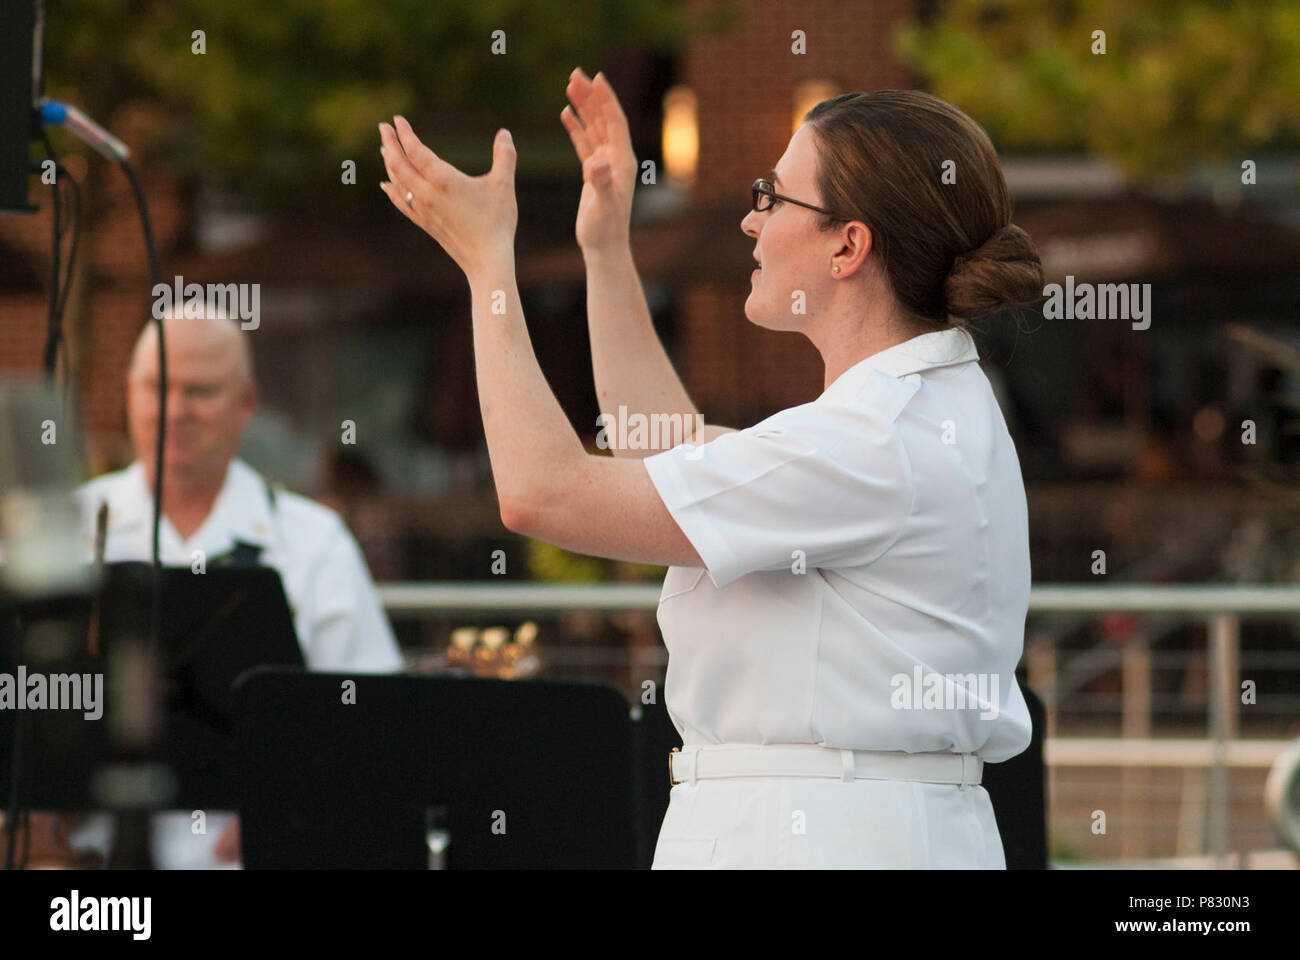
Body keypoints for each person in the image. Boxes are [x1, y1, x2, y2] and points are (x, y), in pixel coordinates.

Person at [378, 68, 1043, 868]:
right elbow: (664, 452)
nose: (750, 220)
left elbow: (540, 492)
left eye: (775, 196)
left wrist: (488, 267)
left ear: (849, 245)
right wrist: (606, 250)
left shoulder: (874, 438)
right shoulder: (907, 416)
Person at [70, 308, 403, 868]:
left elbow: (372, 726)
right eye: (158, 387)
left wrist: (293, 812)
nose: (175, 411)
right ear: (128, 391)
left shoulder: (315, 542)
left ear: (247, 403)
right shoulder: (60, 530)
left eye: (200, 391)